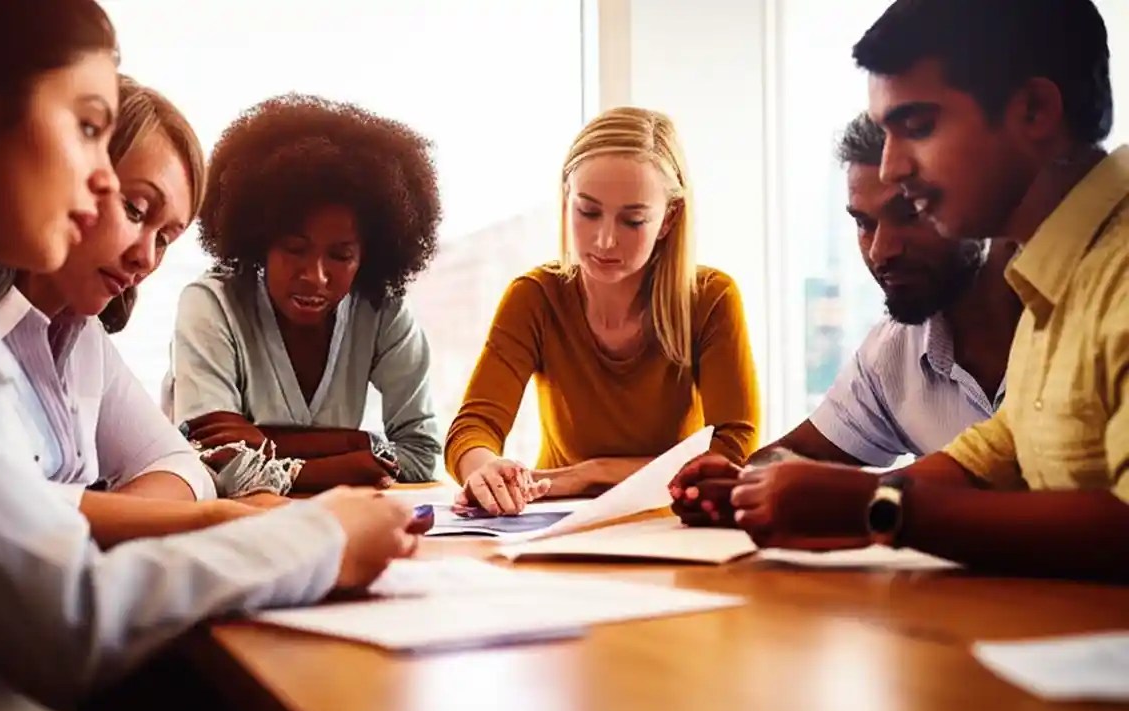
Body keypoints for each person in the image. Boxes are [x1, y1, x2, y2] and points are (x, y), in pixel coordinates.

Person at [0, 3, 417, 711]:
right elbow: (66, 616)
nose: (101, 183)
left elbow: (54, 539)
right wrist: (318, 536)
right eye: (89, 128)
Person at [677, 0, 1129, 582]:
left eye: (917, 127)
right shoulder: (1056, 280)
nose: (891, 168)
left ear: (1035, 110)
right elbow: (986, 458)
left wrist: (878, 508)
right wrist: (767, 489)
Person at [0, 75, 297, 550]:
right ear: (67, 172)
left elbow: (182, 466)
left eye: (166, 237)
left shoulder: (83, 339)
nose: (146, 258)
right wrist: (219, 521)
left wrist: (102, 522)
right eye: (135, 209)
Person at [671, 112, 1022, 524]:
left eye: (909, 214)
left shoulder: (1078, 318)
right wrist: (746, 482)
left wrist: (861, 500)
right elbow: (802, 452)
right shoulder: (894, 349)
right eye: (864, 223)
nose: (880, 251)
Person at [445, 106, 761, 516]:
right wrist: (485, 470)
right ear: (566, 200)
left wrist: (589, 474)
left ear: (668, 219)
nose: (605, 240)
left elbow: (734, 448)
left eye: (633, 221)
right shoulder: (534, 298)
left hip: (668, 519)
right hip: (558, 519)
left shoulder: (711, 299)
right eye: (588, 212)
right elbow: (472, 429)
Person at [171, 93, 443, 489]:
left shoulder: (382, 311)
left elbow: (420, 455)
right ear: (260, 239)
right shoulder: (212, 304)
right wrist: (352, 456)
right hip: (234, 534)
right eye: (294, 249)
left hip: (344, 532)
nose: (316, 276)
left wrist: (268, 445)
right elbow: (215, 465)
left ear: (369, 254)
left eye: (340, 255)